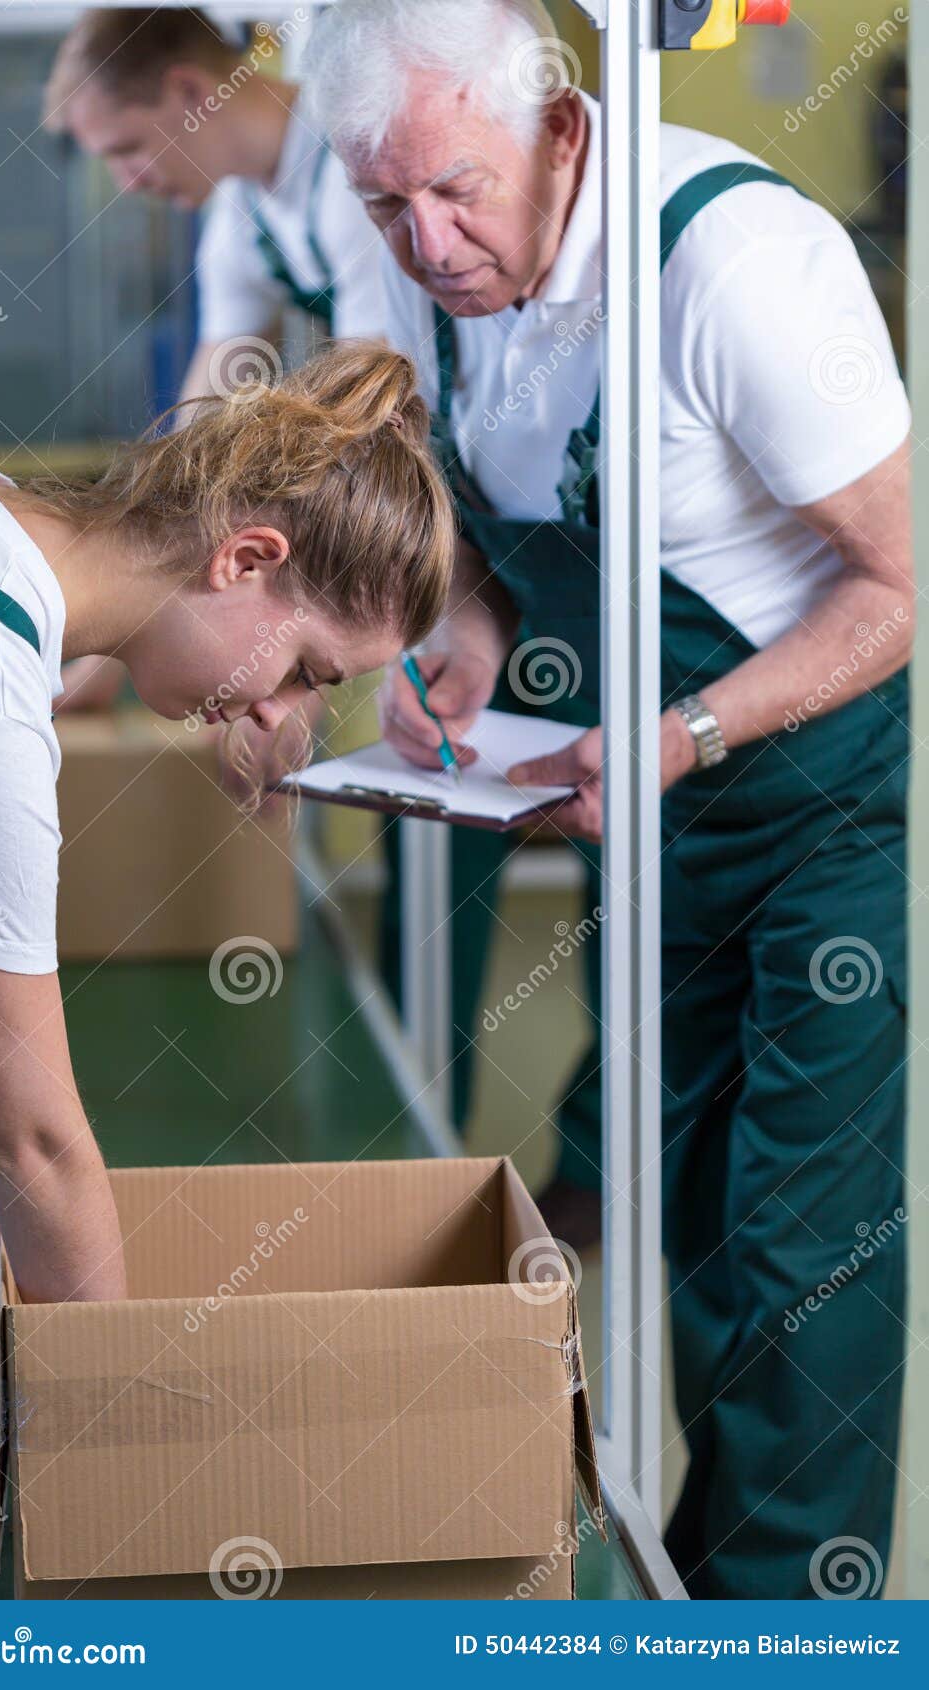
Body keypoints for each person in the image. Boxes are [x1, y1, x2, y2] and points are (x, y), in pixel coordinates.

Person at [304, 0, 913, 1599]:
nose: (424, 241)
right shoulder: (421, 249)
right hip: (631, 810)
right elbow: (489, 520)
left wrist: (680, 734)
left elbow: (894, 588)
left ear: (562, 129)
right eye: (383, 206)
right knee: (676, 1208)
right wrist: (460, 640)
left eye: (453, 190)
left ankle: (787, 1618)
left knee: (795, 1233)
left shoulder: (731, 266)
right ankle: (695, 1572)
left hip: (804, 806)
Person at [0, 343, 455, 1341]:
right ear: (245, 558)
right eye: (306, 670)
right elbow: (39, 1145)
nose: (279, 717)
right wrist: (124, 1431)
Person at [44, 7, 388, 719]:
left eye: (129, 146)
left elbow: (362, 424)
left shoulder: (359, 161)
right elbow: (199, 437)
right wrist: (111, 632)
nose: (128, 181)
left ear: (192, 92)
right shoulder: (243, 213)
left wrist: (286, 662)